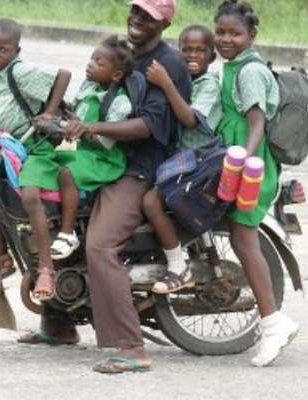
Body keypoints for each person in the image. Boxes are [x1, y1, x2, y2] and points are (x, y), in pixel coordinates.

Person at [25, 0, 192, 373]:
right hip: (102, 156)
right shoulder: (123, 54)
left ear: (163, 23)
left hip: (139, 167)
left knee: (100, 246)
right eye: (135, 10)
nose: (136, 18)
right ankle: (60, 322)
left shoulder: (168, 65)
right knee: (46, 202)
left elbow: (149, 127)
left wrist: (92, 129)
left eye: (147, 15)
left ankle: (132, 348)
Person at [213, 0, 299, 367]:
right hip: (241, 162)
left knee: (245, 240)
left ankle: (273, 324)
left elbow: (256, 123)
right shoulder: (232, 67)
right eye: (221, 32)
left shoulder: (248, 72)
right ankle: (272, 322)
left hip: (250, 168)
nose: (226, 39)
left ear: (251, 36)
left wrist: (244, 164)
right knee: (239, 237)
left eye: (235, 33)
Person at [19, 35, 135, 299]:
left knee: (65, 171)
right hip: (80, 148)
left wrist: (83, 130)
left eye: (99, 62)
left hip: (102, 158)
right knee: (42, 159)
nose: (91, 65)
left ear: (116, 74)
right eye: (92, 59)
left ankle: (67, 232)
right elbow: (77, 116)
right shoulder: (87, 87)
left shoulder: (119, 102)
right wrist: (63, 116)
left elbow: (105, 143)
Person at [0, 18, 71, 284]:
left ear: (16, 52)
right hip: (14, 144)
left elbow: (63, 75)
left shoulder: (18, 71)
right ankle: (2, 256)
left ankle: (46, 269)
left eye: (2, 50)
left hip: (37, 148)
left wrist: (49, 113)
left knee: (30, 196)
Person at [141, 24, 223, 294]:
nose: (192, 55)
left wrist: (165, 82)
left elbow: (189, 118)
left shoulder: (207, 84)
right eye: (186, 49)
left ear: (212, 56)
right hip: (178, 159)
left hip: (196, 161)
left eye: (200, 50)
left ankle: (179, 264)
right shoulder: (184, 81)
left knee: (151, 202)